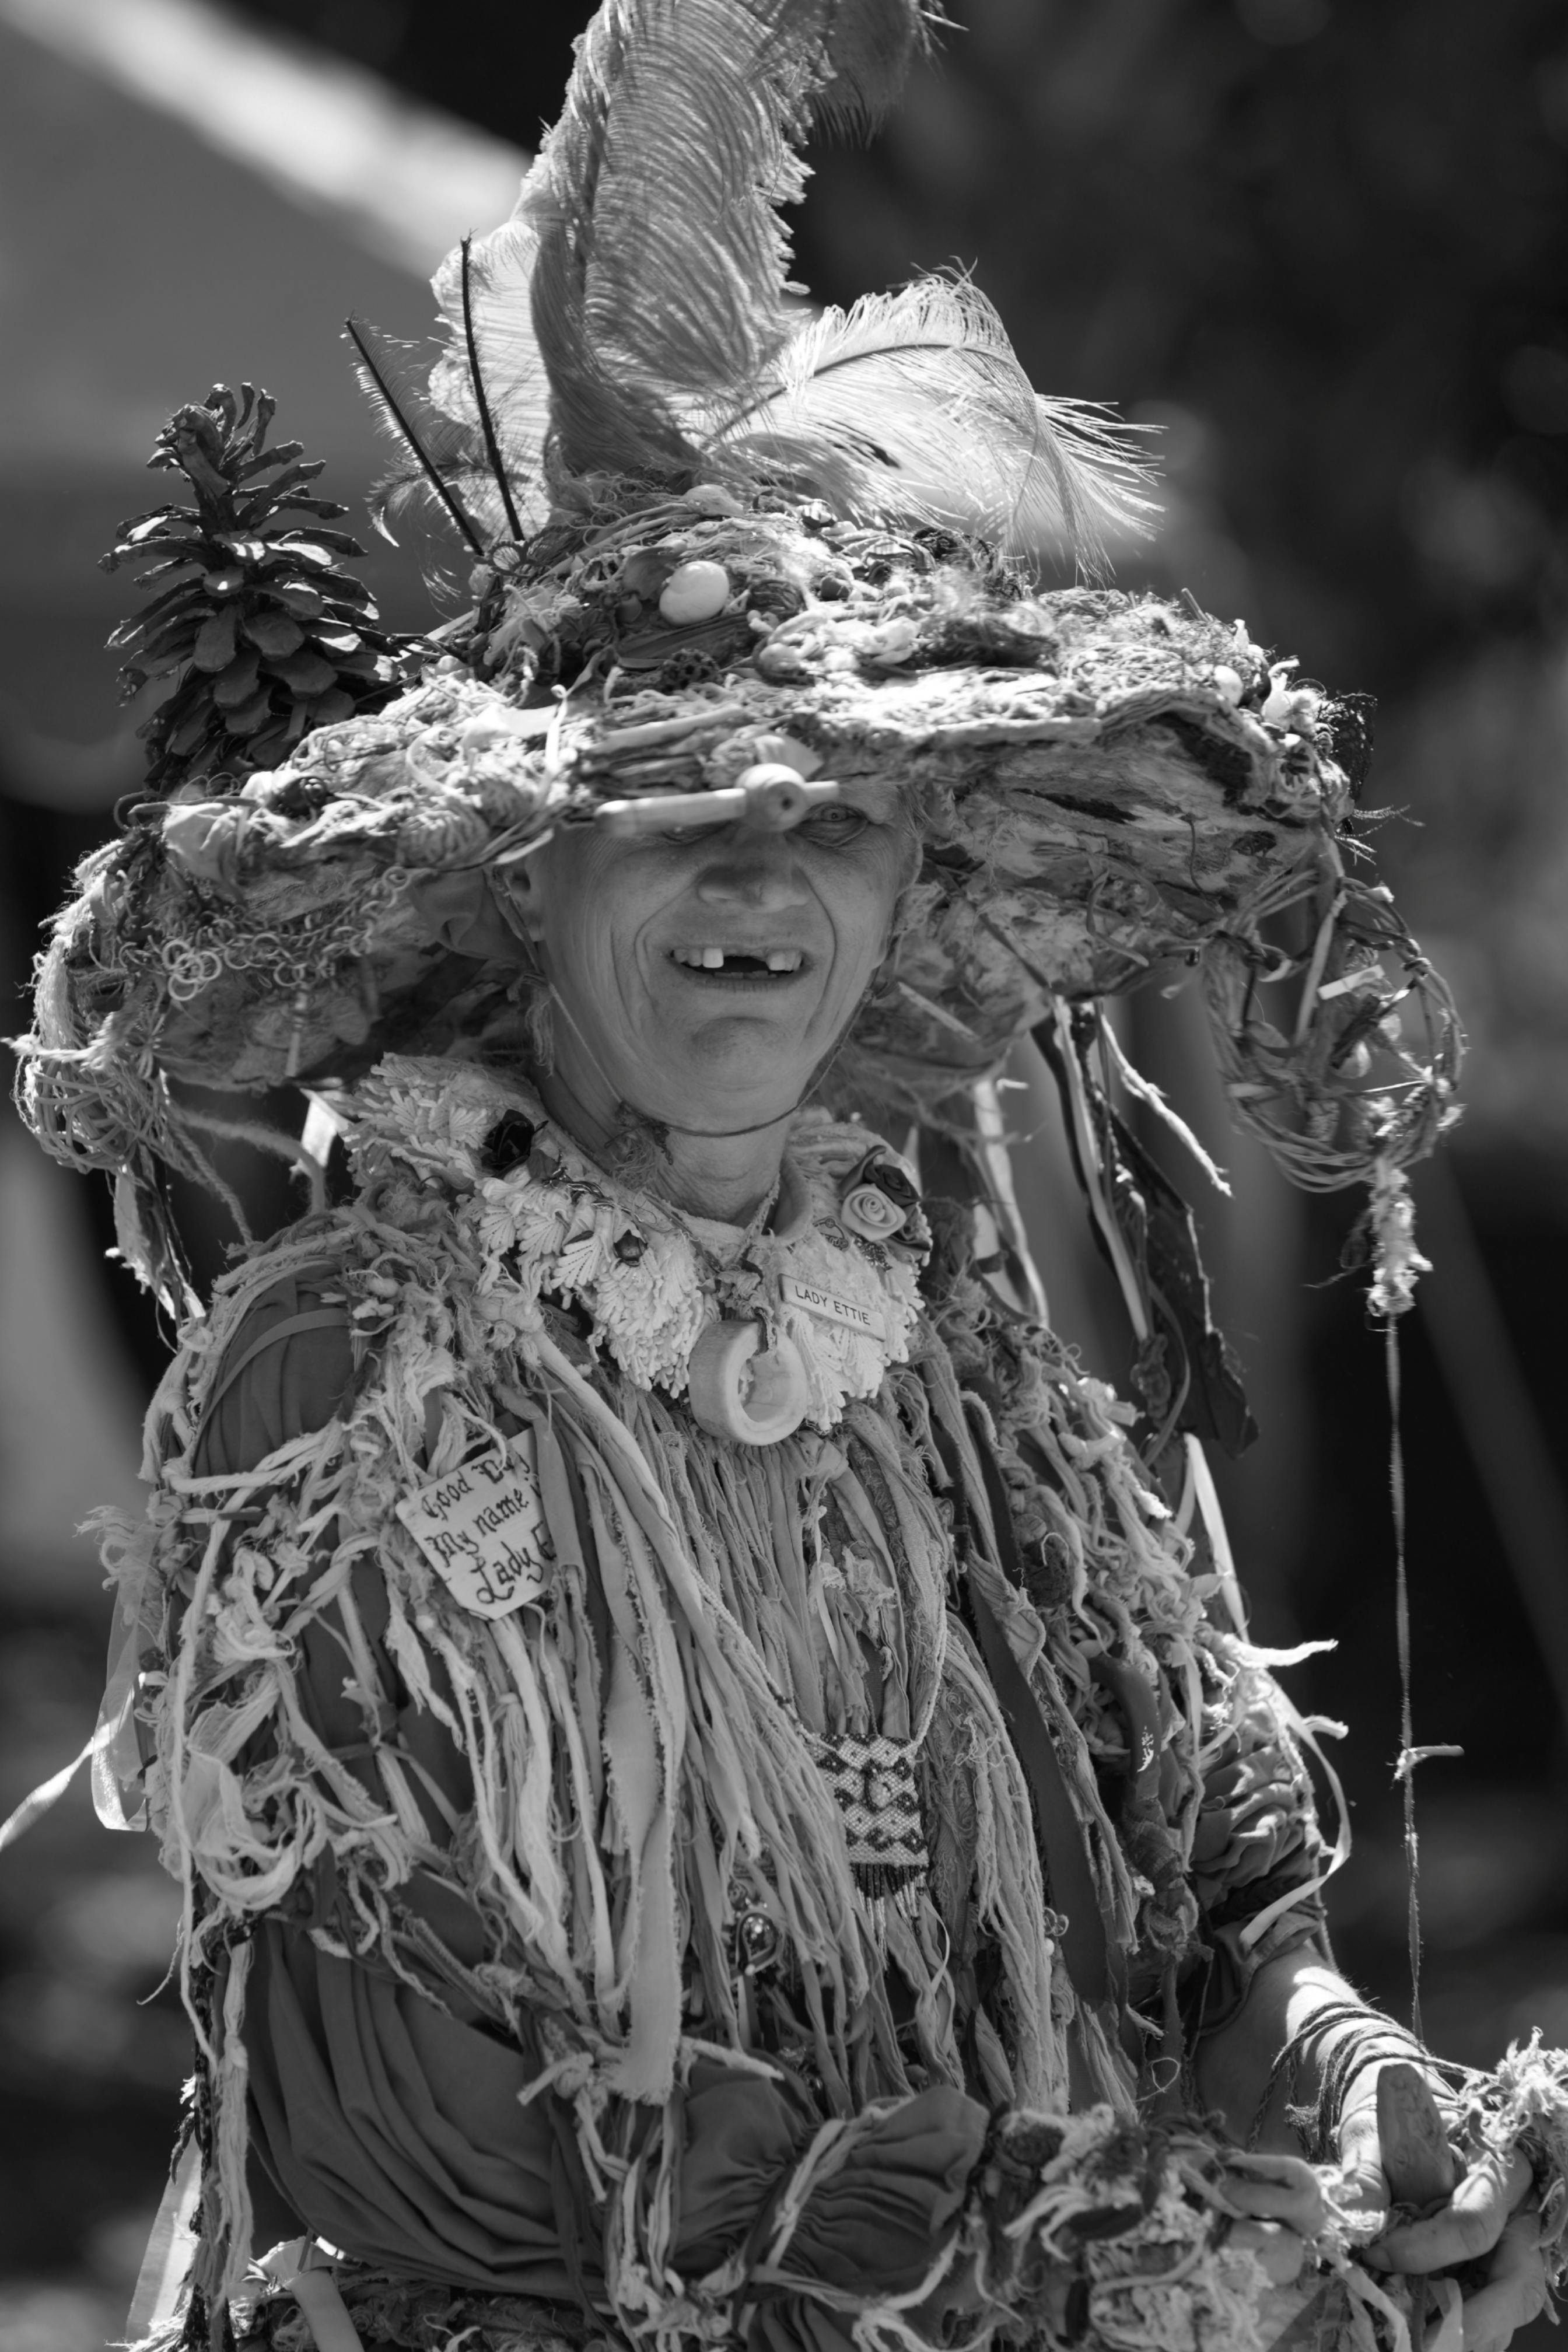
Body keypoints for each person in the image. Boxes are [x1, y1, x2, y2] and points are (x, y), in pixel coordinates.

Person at [12, 4, 1562, 2350]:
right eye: (676, 813)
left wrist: (1317, 2063)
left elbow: (1199, 1850)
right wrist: (1080, 2250)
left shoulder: (938, 1327)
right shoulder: (342, 1383)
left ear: (898, 895)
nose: (764, 871)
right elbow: (421, 2145)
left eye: (831, 810)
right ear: (521, 880)